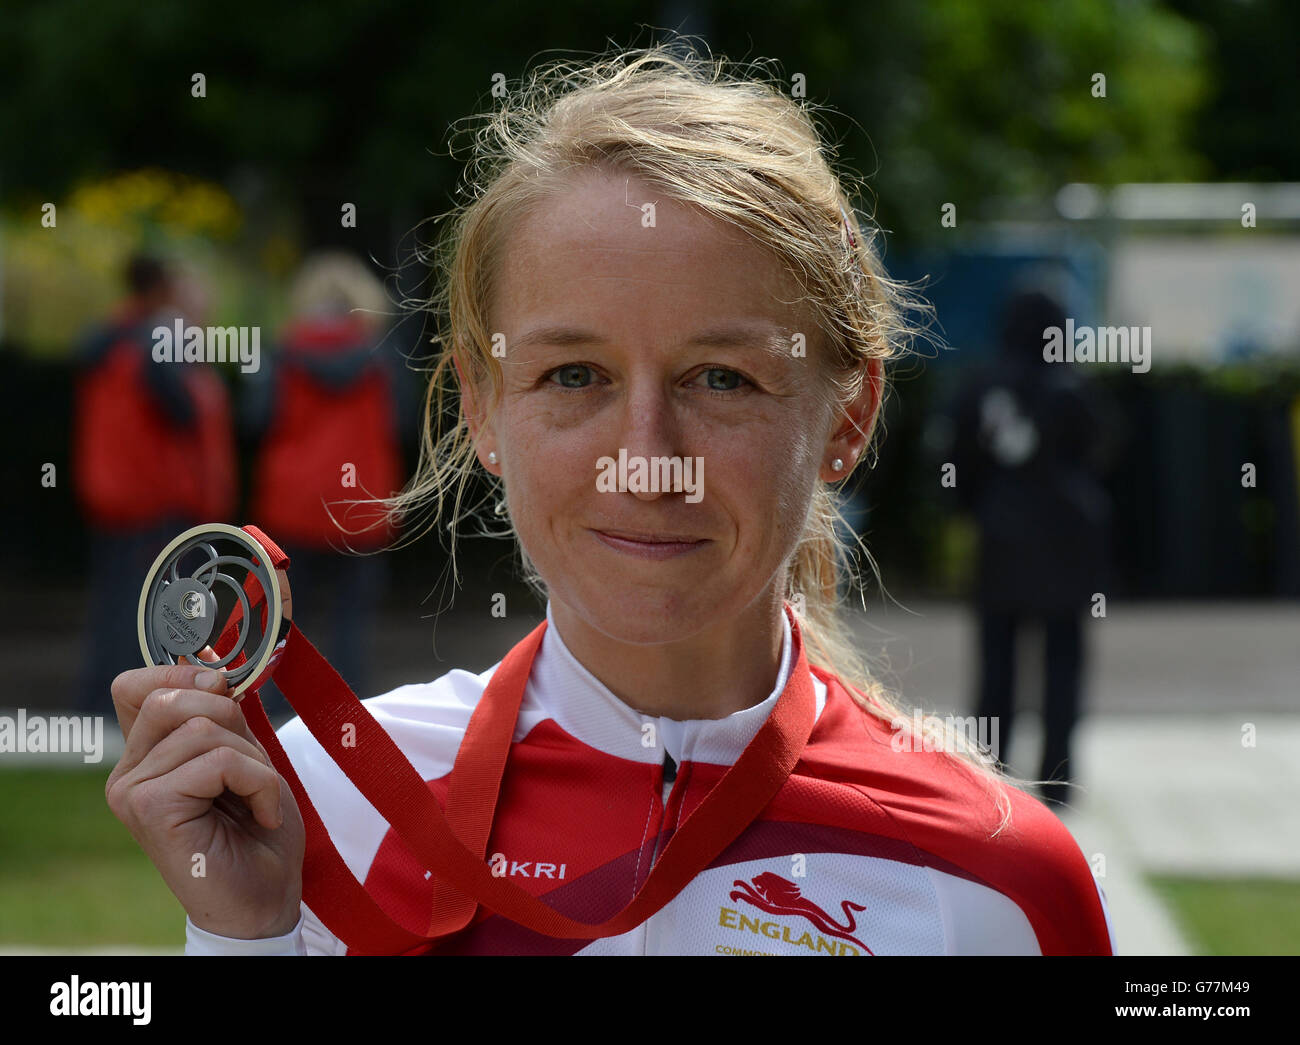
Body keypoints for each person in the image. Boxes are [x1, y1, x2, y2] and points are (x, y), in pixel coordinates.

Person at [105, 44, 1116, 955]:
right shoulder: (313, 806)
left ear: (847, 419)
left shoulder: (994, 885)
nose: (644, 459)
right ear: (485, 410)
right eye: (574, 376)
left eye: (721, 378)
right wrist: (239, 937)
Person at [941, 289, 1119, 808]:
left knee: (997, 662)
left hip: (1001, 538)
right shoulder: (1073, 387)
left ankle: (990, 776)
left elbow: (956, 462)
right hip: (1068, 542)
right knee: (1064, 661)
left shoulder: (981, 385)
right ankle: (1058, 779)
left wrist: (976, 510)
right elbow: (1101, 454)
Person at [72, 255, 235, 714]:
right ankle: (127, 700)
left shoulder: (107, 342)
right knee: (148, 605)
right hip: (152, 496)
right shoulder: (154, 348)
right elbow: (184, 414)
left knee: (116, 598)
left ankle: (98, 699)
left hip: (110, 491)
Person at [244, 252, 405, 710]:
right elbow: (403, 425)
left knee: (284, 618)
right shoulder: (381, 360)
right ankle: (344, 716)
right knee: (352, 618)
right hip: (360, 503)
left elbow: (257, 420)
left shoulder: (282, 355)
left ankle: (276, 714)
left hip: (293, 503)